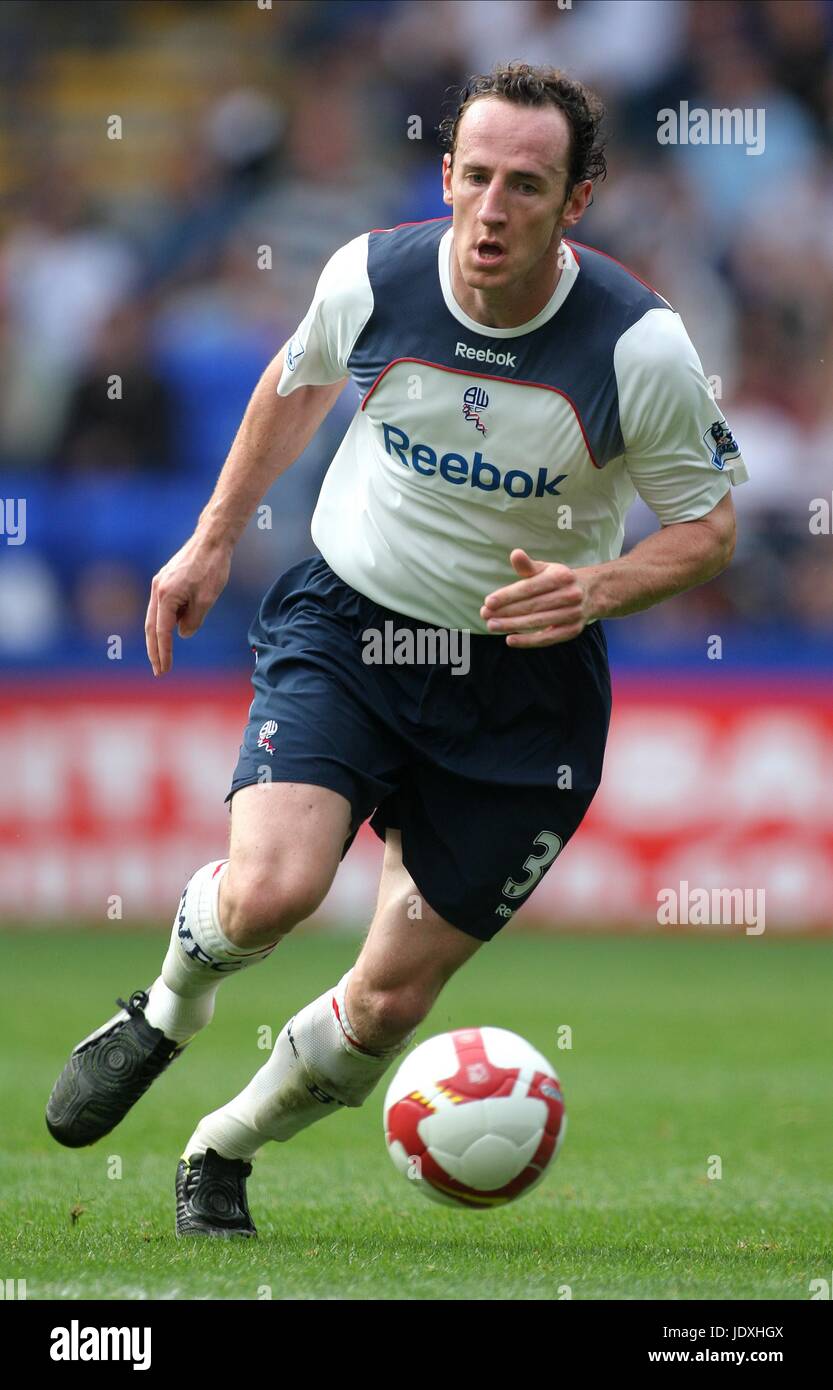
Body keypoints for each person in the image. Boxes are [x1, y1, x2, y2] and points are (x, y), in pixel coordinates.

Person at [46, 63, 748, 1235]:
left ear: (574, 202)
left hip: (524, 687)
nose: (491, 208)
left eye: (526, 185)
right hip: (353, 627)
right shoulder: (369, 276)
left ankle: (222, 1145)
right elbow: (293, 382)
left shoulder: (640, 349)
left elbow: (710, 528)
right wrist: (211, 539)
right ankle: (168, 1011)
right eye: (473, 176)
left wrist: (602, 584)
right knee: (271, 889)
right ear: (445, 174)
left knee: (384, 1000)